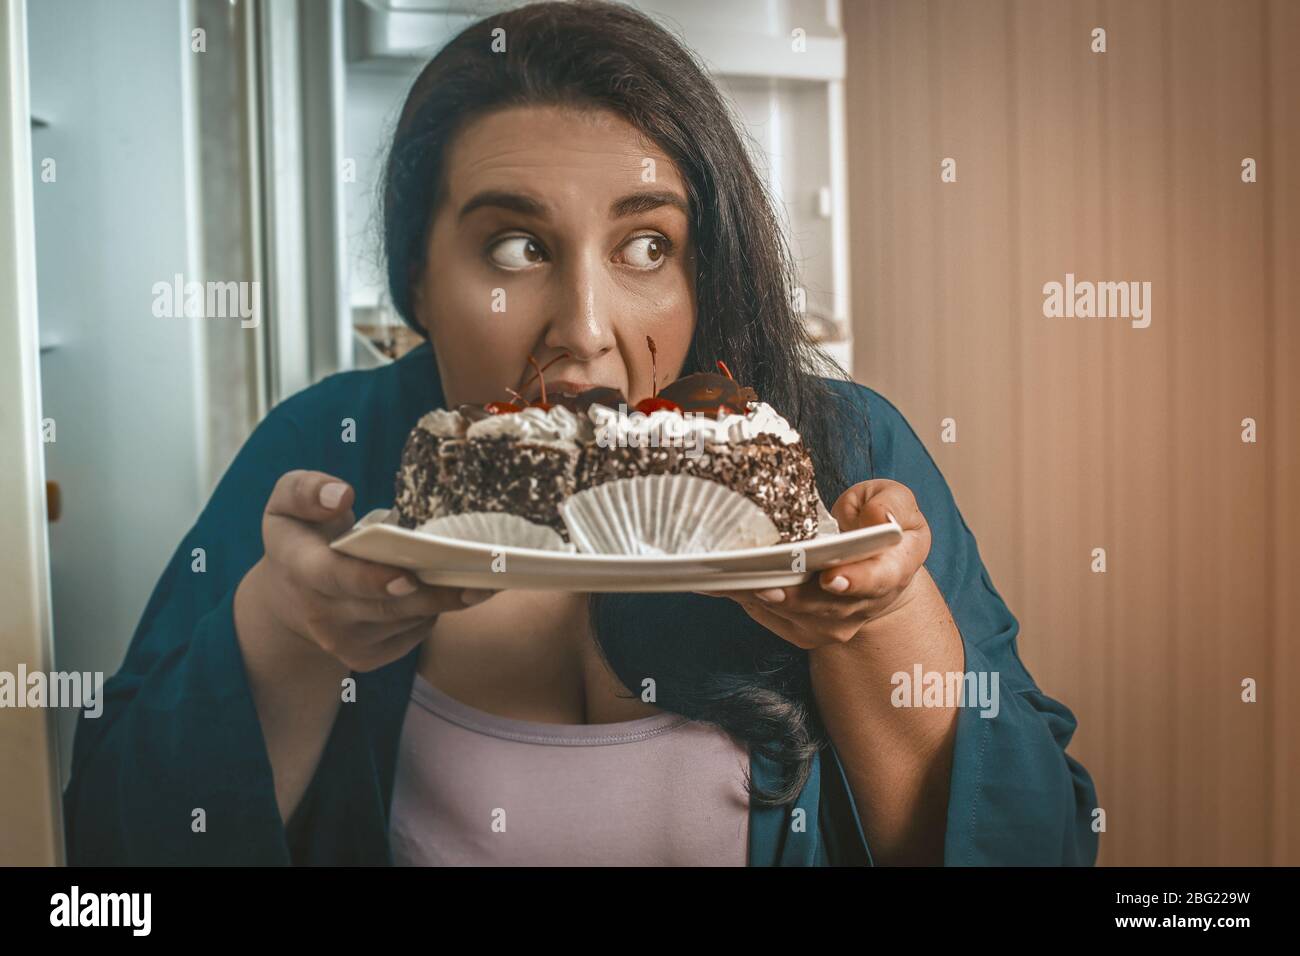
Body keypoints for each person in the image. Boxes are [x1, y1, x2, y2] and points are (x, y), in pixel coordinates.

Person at [62, 0, 1098, 866]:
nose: (586, 329)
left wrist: (874, 616)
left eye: (647, 243)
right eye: (516, 245)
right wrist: (286, 634)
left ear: (708, 267)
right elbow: (113, 861)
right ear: (416, 274)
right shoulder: (330, 451)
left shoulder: (837, 454)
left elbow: (1042, 844)